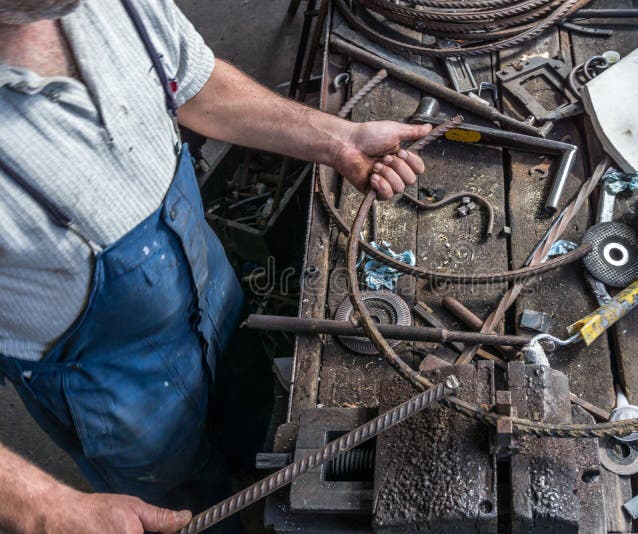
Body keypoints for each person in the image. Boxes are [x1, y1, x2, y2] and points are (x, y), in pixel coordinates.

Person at [0, 0, 431, 532]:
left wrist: (338, 140)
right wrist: (43, 507)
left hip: (213, 302)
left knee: (256, 429)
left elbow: (190, 85)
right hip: (118, 393)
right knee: (189, 510)